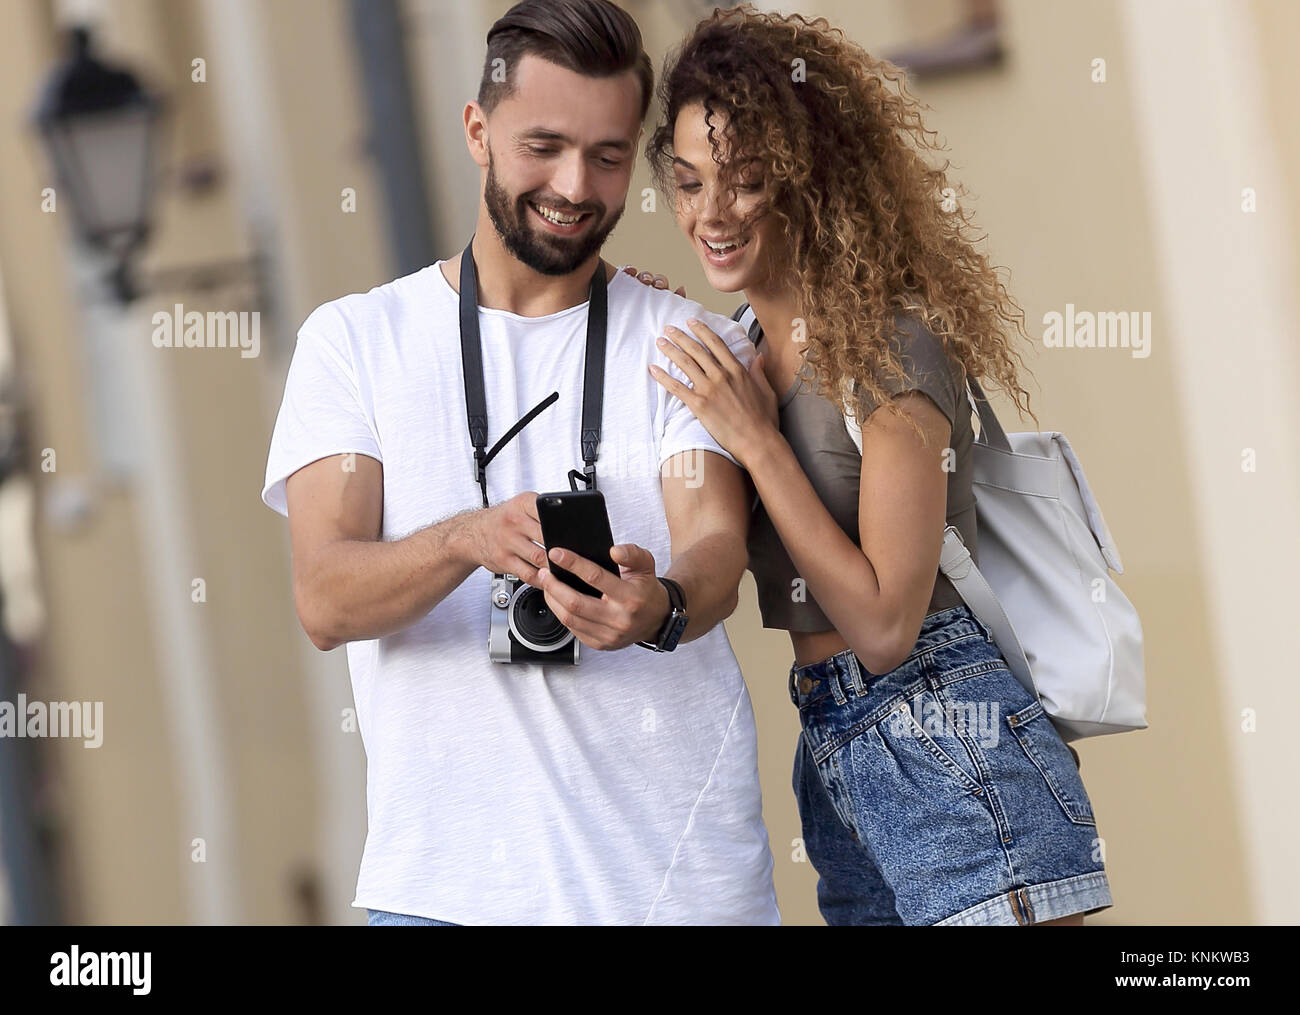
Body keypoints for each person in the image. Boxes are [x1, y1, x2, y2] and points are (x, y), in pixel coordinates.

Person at [260, 0, 778, 926]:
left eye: (609, 157)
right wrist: (469, 538)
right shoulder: (353, 343)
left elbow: (715, 549)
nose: (575, 184)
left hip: (677, 894)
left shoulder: (685, 339)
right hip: (443, 897)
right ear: (477, 130)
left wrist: (656, 605)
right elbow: (325, 597)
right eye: (544, 146)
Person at [640, 4, 1113, 925]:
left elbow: (888, 623)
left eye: (742, 181)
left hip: (946, 727)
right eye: (689, 182)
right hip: (830, 748)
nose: (710, 213)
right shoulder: (738, 353)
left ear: (804, 177)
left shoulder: (887, 351)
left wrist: (760, 441)